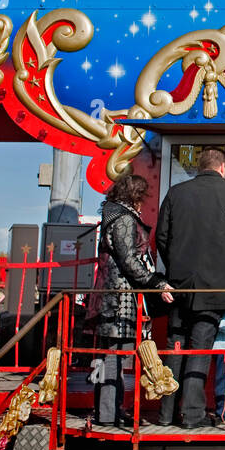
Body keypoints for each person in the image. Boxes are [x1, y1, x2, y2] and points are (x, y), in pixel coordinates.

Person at [156, 146, 225, 430]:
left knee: (175, 346)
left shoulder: (176, 192)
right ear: (222, 167)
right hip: (216, 289)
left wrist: (175, 267)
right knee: (200, 348)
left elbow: (161, 236)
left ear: (200, 167)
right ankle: (193, 414)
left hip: (180, 285)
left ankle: (166, 413)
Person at [88, 174, 174, 427]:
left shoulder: (115, 215)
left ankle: (111, 410)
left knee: (112, 356)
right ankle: (107, 414)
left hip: (113, 295)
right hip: (119, 298)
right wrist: (156, 282)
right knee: (114, 356)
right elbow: (129, 260)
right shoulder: (124, 219)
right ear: (135, 196)